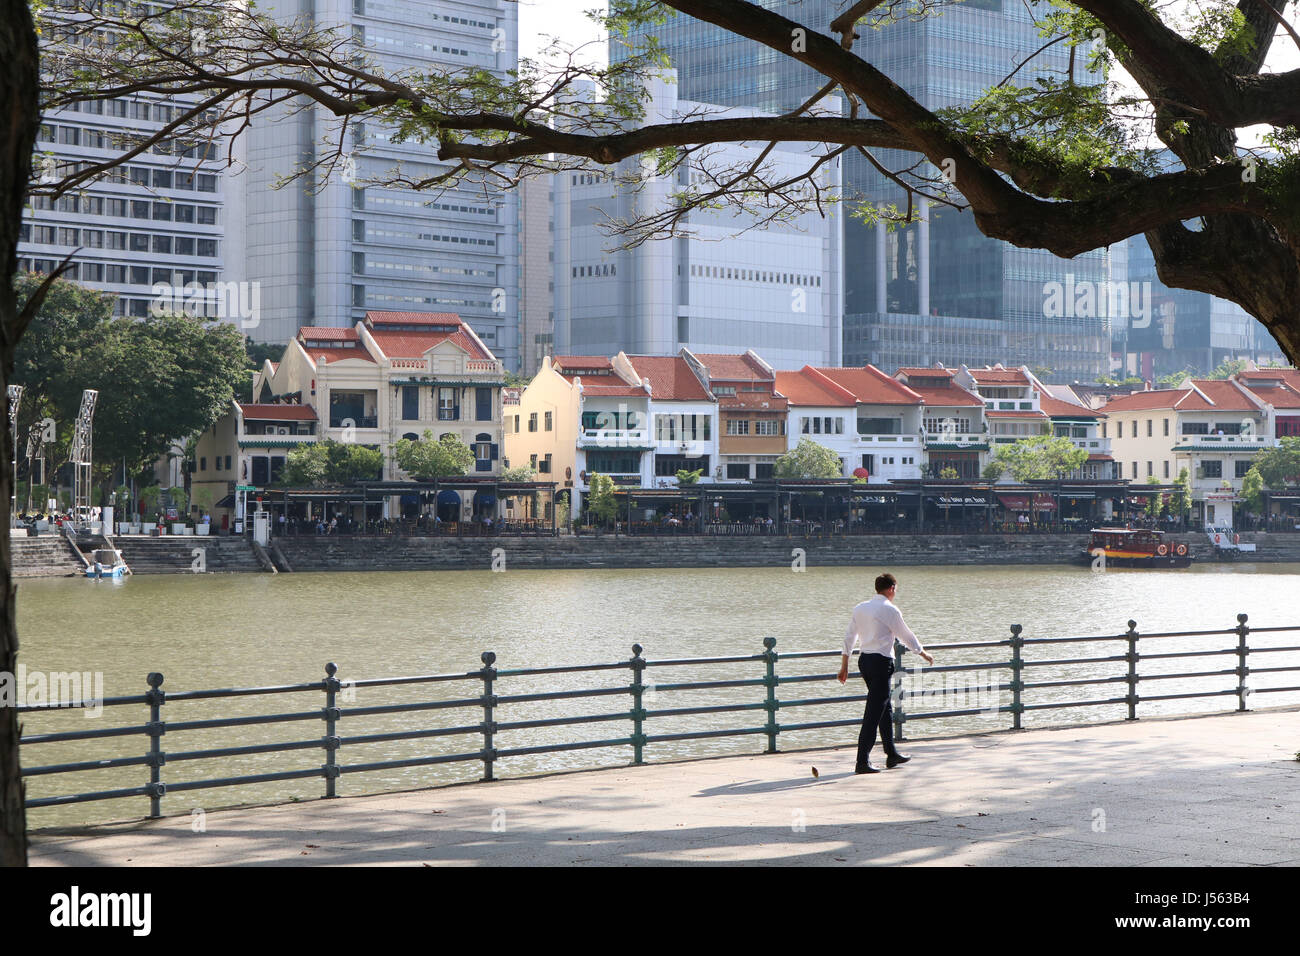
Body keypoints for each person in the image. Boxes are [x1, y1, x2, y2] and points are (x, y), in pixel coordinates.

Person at [837, 572, 935, 774]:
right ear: (891, 589)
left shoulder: (860, 608)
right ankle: (861, 761)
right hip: (881, 662)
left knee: (884, 707)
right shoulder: (890, 610)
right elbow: (905, 634)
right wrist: (922, 652)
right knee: (873, 712)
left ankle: (891, 754)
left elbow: (849, 637)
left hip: (865, 661)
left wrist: (844, 665)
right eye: (895, 590)